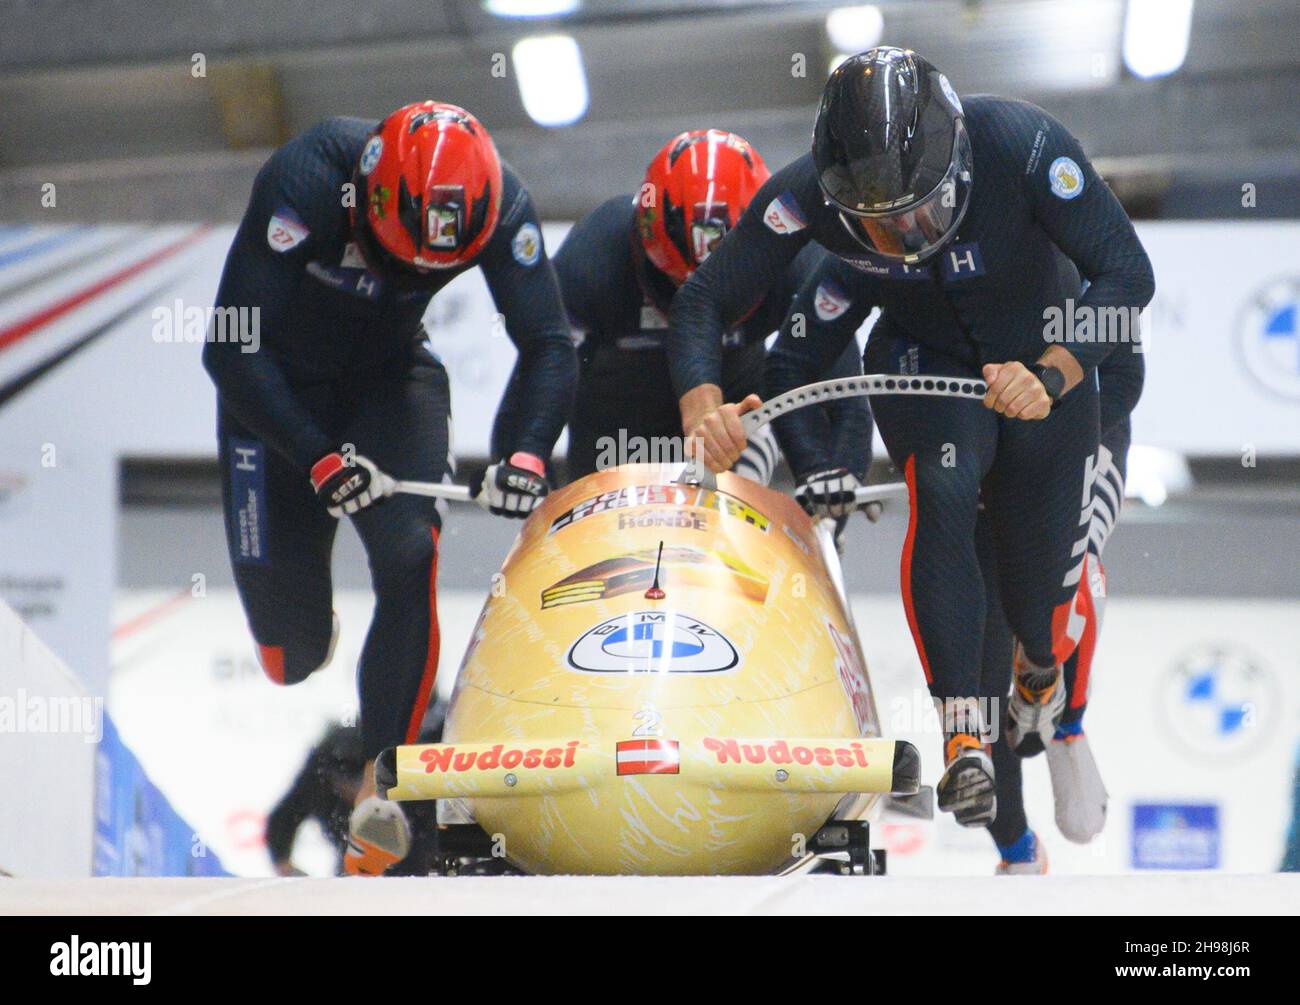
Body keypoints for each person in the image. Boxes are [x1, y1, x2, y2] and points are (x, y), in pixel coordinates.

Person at [670, 47, 1154, 827]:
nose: (908, 236)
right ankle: (964, 734)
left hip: (1044, 359)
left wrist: (1058, 373)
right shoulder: (804, 197)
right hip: (924, 362)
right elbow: (704, 300)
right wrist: (702, 406)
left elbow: (1129, 274)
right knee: (947, 488)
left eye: (922, 213)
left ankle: (1043, 676)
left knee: (1036, 598)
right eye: (880, 226)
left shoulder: (1024, 145)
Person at [204, 101, 576, 874]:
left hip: (387, 382)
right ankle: (306, 627)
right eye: (396, 255)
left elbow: (547, 341)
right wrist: (314, 455)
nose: (411, 273)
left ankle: (389, 782)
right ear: (369, 200)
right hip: (274, 400)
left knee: (412, 555)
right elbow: (230, 348)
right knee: (288, 653)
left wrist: (526, 453)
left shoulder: (502, 202)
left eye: (433, 267)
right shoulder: (306, 180)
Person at [490, 128, 870, 486]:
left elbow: (830, 373)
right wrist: (524, 460)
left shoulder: (793, 255)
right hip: (616, 425)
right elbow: (546, 358)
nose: (692, 304)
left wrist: (833, 477)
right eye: (674, 284)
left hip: (730, 413)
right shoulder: (595, 256)